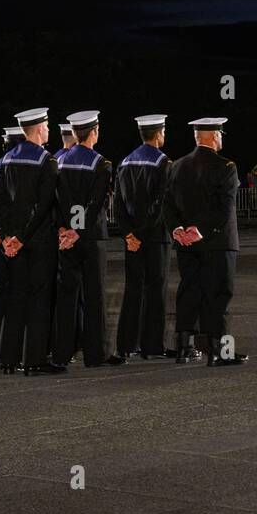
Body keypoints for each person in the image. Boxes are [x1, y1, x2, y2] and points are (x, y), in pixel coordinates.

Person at [164, 117, 246, 367]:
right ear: (213, 136)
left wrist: (177, 230)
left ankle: (184, 348)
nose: (222, 138)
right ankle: (220, 351)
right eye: (220, 133)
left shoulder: (177, 166)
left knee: (189, 292)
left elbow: (167, 204)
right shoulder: (226, 166)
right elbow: (224, 209)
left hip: (187, 245)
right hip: (218, 242)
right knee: (219, 295)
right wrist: (201, 230)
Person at [0, 108, 63, 375]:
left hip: (12, 241)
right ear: (37, 129)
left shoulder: (7, 160)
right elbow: (43, 205)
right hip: (37, 240)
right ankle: (34, 359)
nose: (48, 130)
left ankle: (8, 359)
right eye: (46, 126)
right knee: (38, 299)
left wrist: (7, 235)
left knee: (15, 296)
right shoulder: (47, 160)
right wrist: (22, 237)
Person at [53, 110, 121, 368]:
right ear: (94, 132)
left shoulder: (58, 161)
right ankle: (96, 355)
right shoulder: (101, 163)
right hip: (91, 238)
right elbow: (96, 203)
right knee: (95, 296)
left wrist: (64, 228)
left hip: (65, 238)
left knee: (67, 296)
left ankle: (62, 354)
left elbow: (55, 200)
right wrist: (78, 230)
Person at [116, 114, 175, 360]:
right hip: (155, 236)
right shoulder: (163, 163)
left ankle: (127, 343)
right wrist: (141, 232)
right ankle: (153, 345)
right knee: (155, 289)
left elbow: (118, 204)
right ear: (158, 133)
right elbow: (161, 204)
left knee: (133, 289)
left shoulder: (125, 163)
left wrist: (129, 233)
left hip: (131, 239)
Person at [0, 127, 25, 358]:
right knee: (17, 290)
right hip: (12, 238)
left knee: (0, 290)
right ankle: (13, 347)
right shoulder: (17, 167)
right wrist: (8, 234)